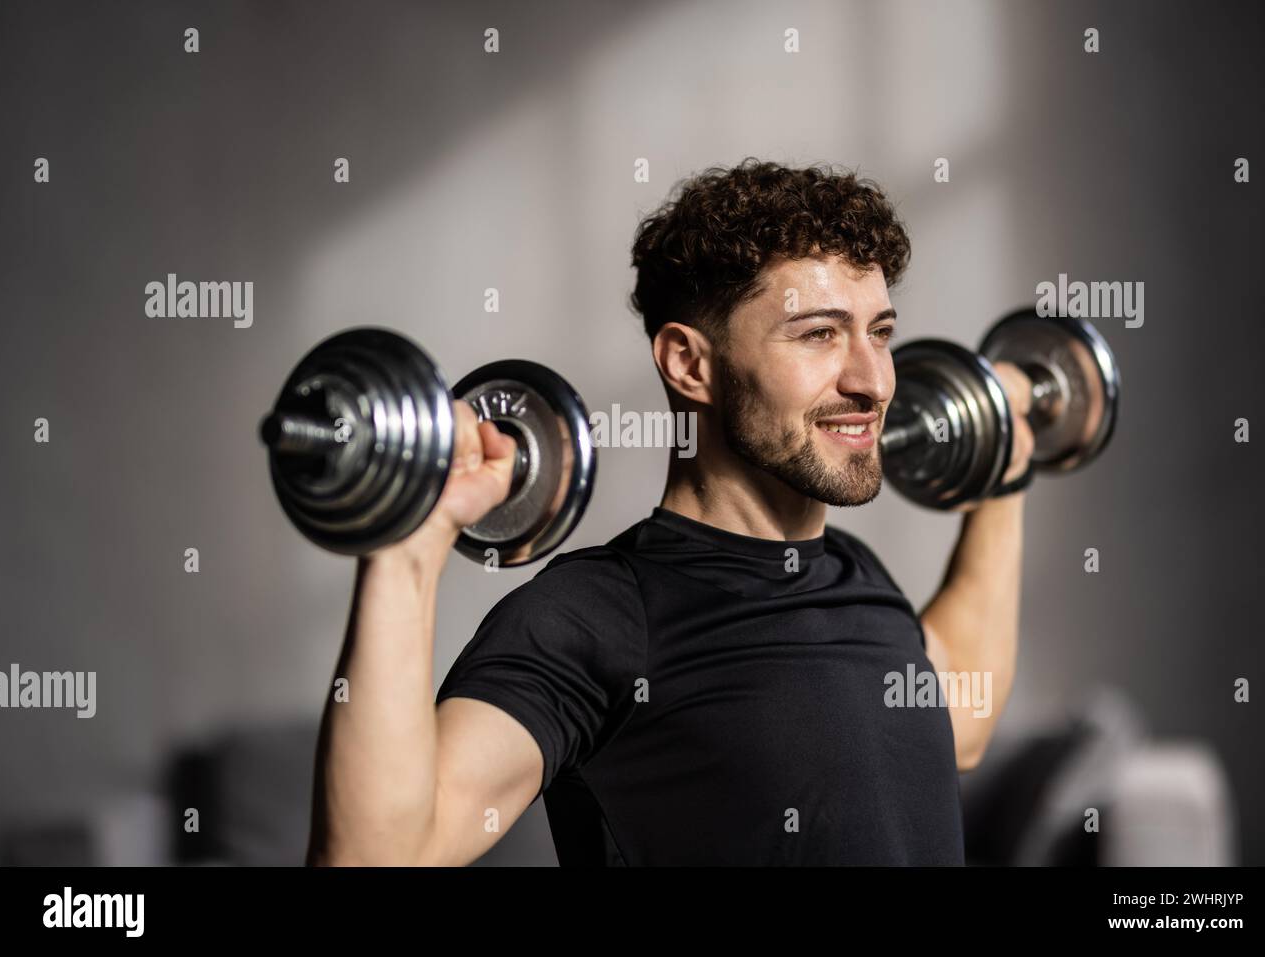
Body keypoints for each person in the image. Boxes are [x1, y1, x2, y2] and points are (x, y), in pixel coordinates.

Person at [305, 158, 1035, 866]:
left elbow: (957, 719)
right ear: (690, 364)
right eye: (819, 333)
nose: (874, 381)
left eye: (879, 332)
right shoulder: (596, 615)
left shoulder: (856, 573)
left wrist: (1004, 469)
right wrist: (410, 536)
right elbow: (376, 854)